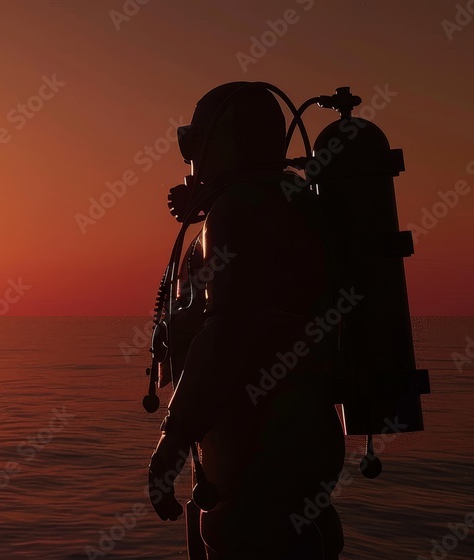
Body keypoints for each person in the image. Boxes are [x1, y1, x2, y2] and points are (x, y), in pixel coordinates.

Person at [147, 82, 346, 559]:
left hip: (256, 441)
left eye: (192, 142)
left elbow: (228, 336)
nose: (190, 155)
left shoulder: (237, 210)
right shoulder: (286, 201)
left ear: (220, 141)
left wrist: (171, 444)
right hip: (300, 433)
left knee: (241, 536)